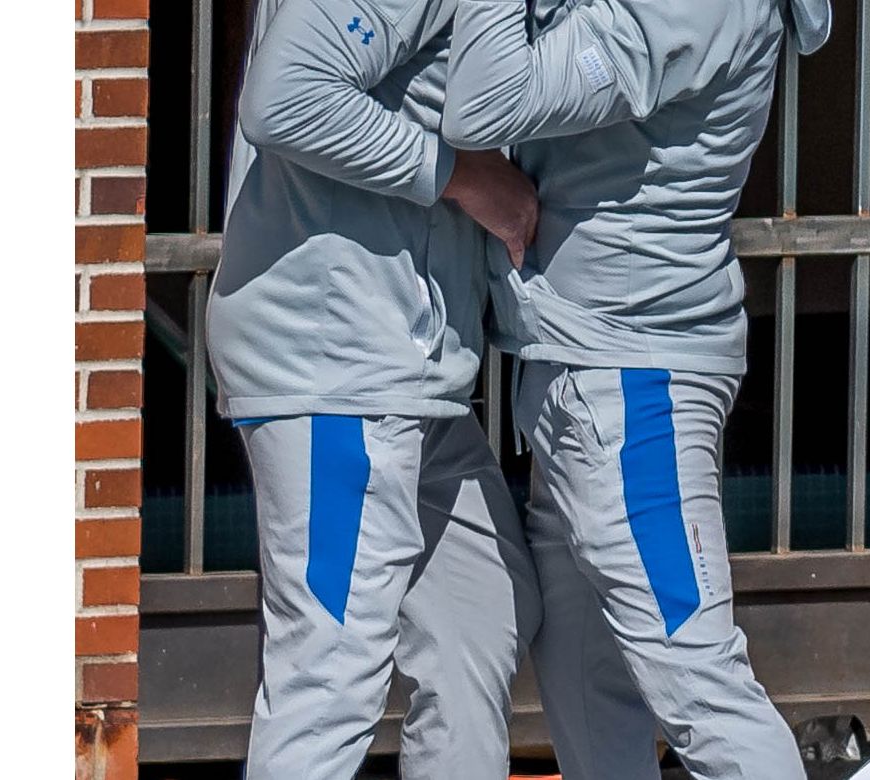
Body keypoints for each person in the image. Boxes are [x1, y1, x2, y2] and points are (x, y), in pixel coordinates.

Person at [441, 0, 832, 777]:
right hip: (586, 373)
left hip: (630, 389)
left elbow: (487, 99)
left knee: (700, 684)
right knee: (589, 690)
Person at [206, 0, 543, 776]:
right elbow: (284, 94)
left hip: (409, 375)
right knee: (326, 680)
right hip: (339, 367)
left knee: (481, 612)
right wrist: (461, 177)